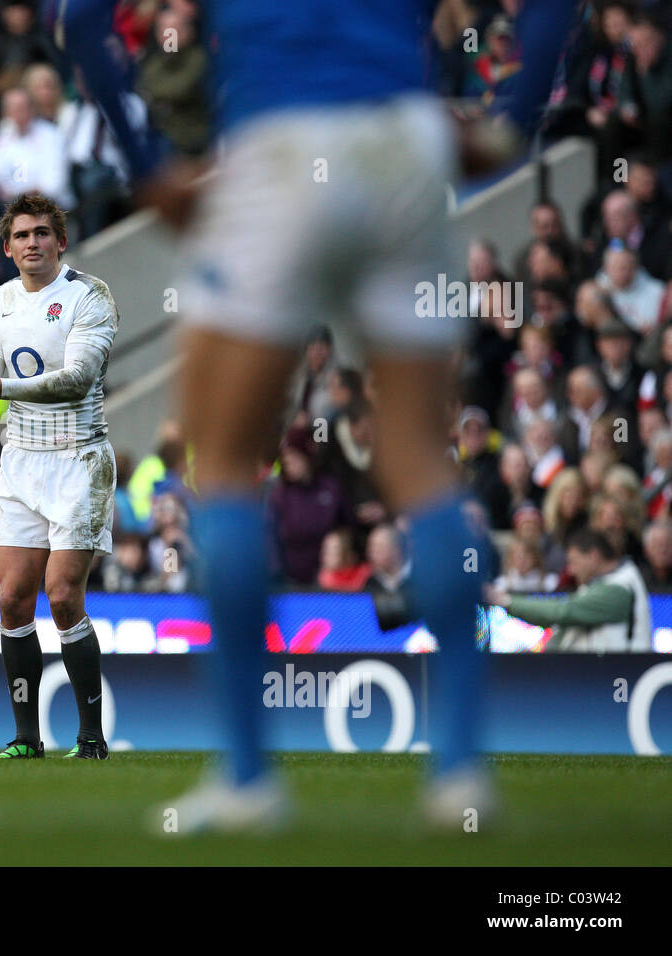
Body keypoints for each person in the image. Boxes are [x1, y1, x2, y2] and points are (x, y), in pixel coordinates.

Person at [115, 0, 574, 831]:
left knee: (218, 464)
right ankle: (462, 775)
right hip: (402, 138)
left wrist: (148, 159)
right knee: (422, 465)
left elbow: (79, 20)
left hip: (278, 140)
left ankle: (249, 778)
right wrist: (514, 119)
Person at [0, 192, 118, 760]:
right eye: (22, 236)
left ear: (61, 241)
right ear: (8, 248)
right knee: (13, 600)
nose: (33, 244)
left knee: (63, 595)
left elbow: (75, 378)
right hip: (19, 461)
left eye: (42, 233)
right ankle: (27, 738)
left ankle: (91, 738)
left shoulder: (89, 296)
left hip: (78, 459)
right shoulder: (2, 300)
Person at [485, 529, 652, 652]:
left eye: (574, 561)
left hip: (618, 680)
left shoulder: (619, 589)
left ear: (593, 555)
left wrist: (505, 601)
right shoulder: (604, 584)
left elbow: (562, 612)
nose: (571, 570)